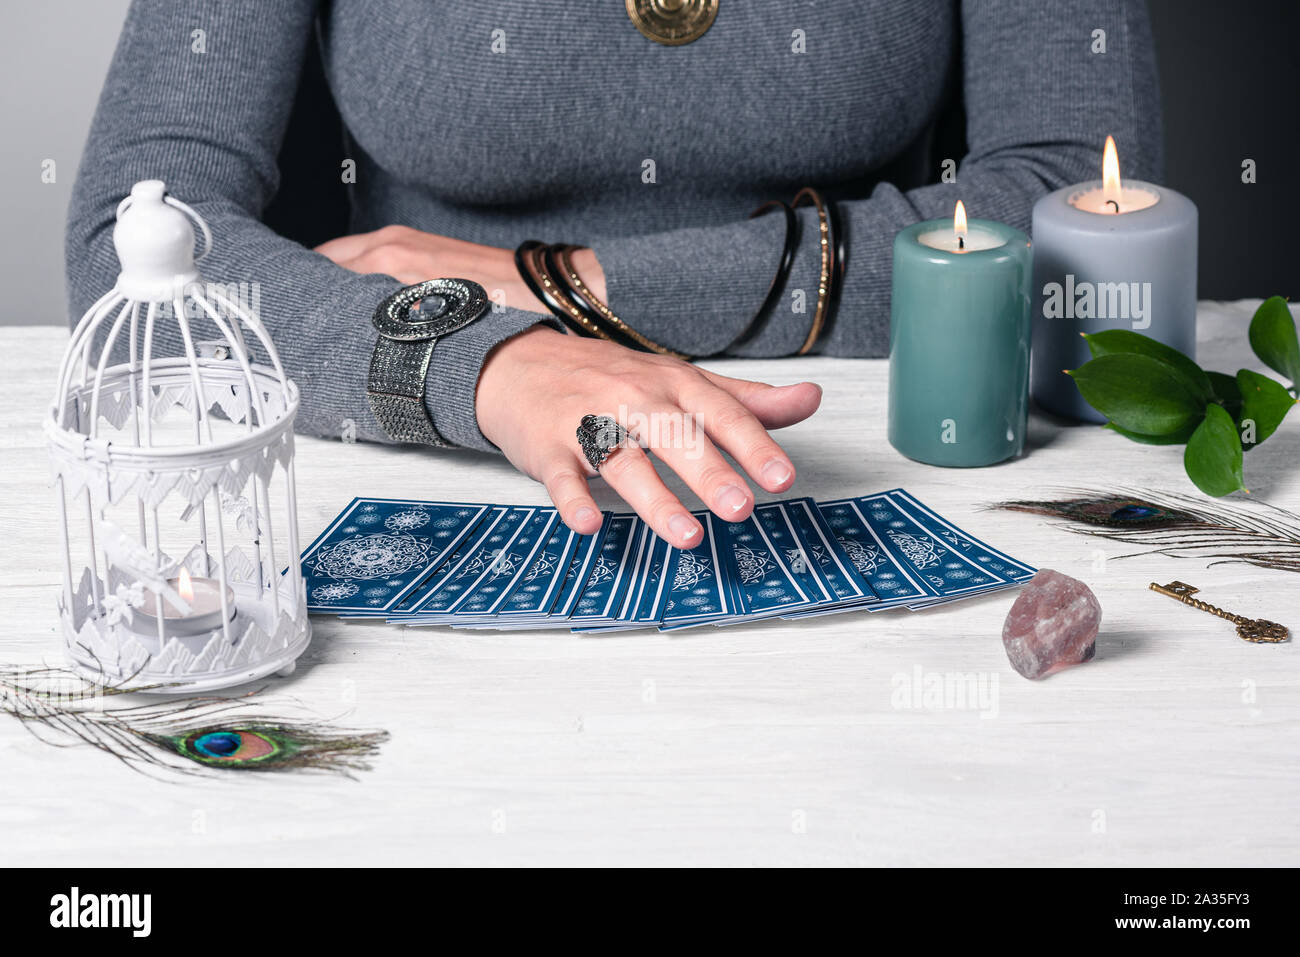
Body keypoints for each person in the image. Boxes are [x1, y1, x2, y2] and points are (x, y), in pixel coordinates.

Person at [67, 0, 1162, 549]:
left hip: (885, 457)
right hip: (407, 472)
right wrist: (483, 368)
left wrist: (545, 284)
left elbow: (1079, 198)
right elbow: (138, 227)